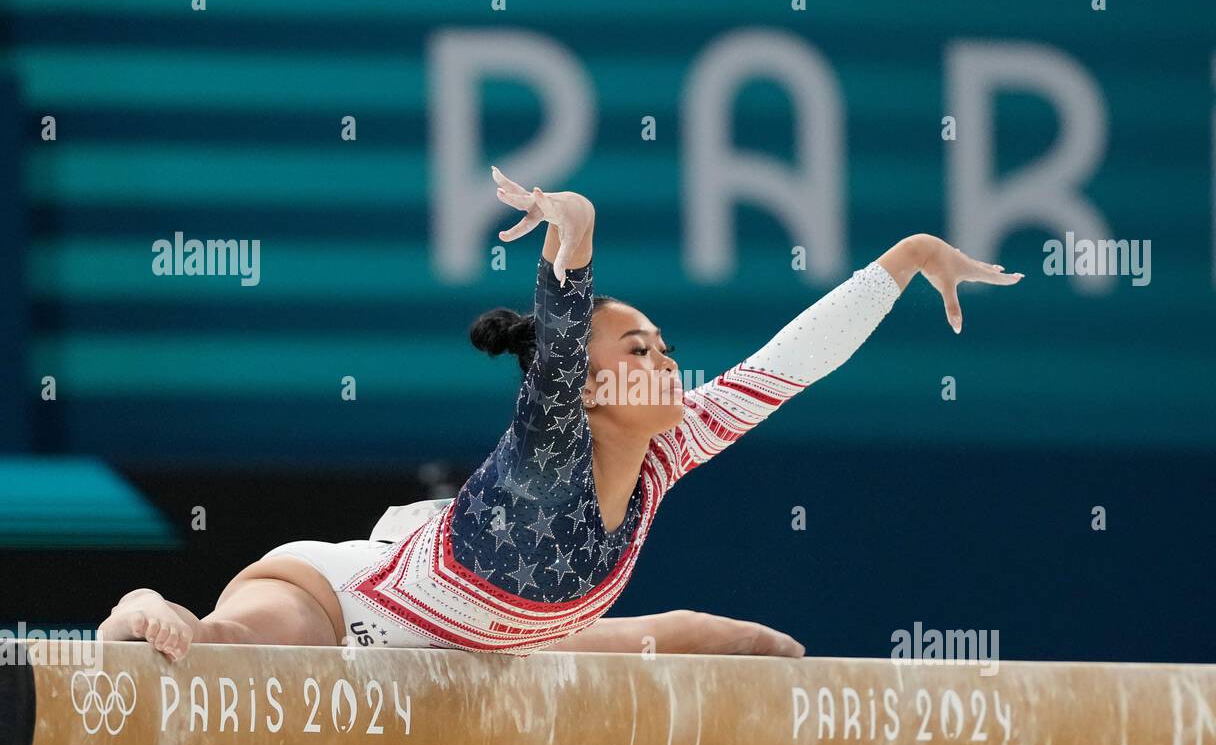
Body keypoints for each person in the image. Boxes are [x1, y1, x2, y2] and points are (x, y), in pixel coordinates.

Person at [99, 167, 1022, 662]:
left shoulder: (672, 448)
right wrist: (573, 240)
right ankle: (138, 610)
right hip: (354, 604)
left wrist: (899, 262)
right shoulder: (550, 448)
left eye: (663, 345)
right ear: (584, 389)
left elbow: (786, 365)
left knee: (701, 644)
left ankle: (705, 632)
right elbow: (559, 343)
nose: (663, 361)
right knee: (223, 654)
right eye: (636, 351)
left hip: (503, 638)